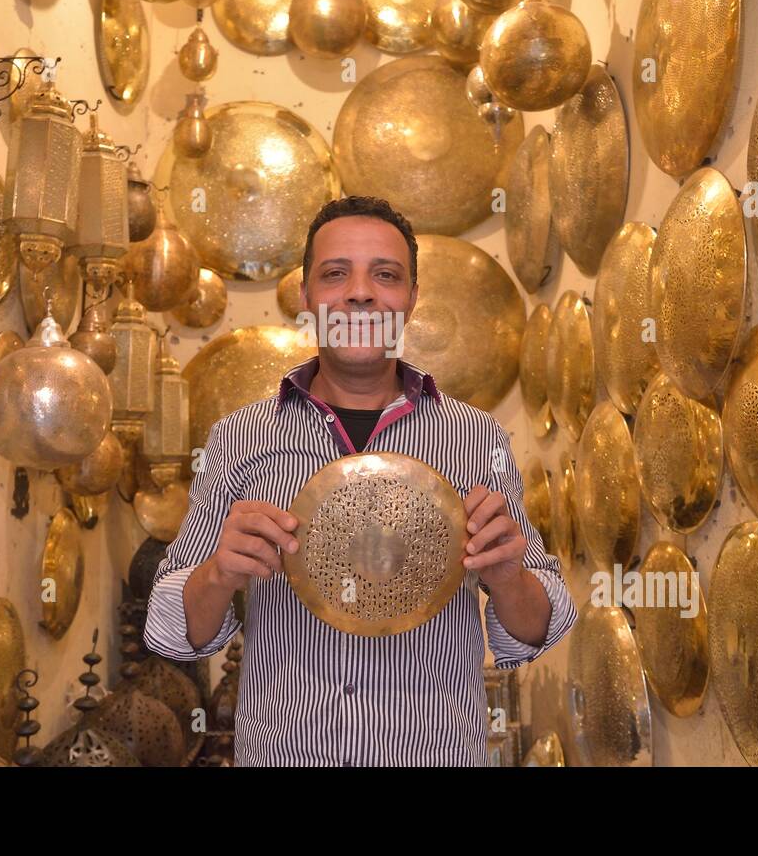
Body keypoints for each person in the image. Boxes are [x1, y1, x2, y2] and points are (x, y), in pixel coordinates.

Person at [144, 195, 576, 766]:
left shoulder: (476, 439)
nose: (360, 292)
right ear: (306, 297)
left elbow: (533, 631)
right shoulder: (239, 440)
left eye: (386, 275)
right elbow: (176, 634)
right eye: (334, 273)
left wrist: (508, 578)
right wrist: (220, 572)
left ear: (412, 299)